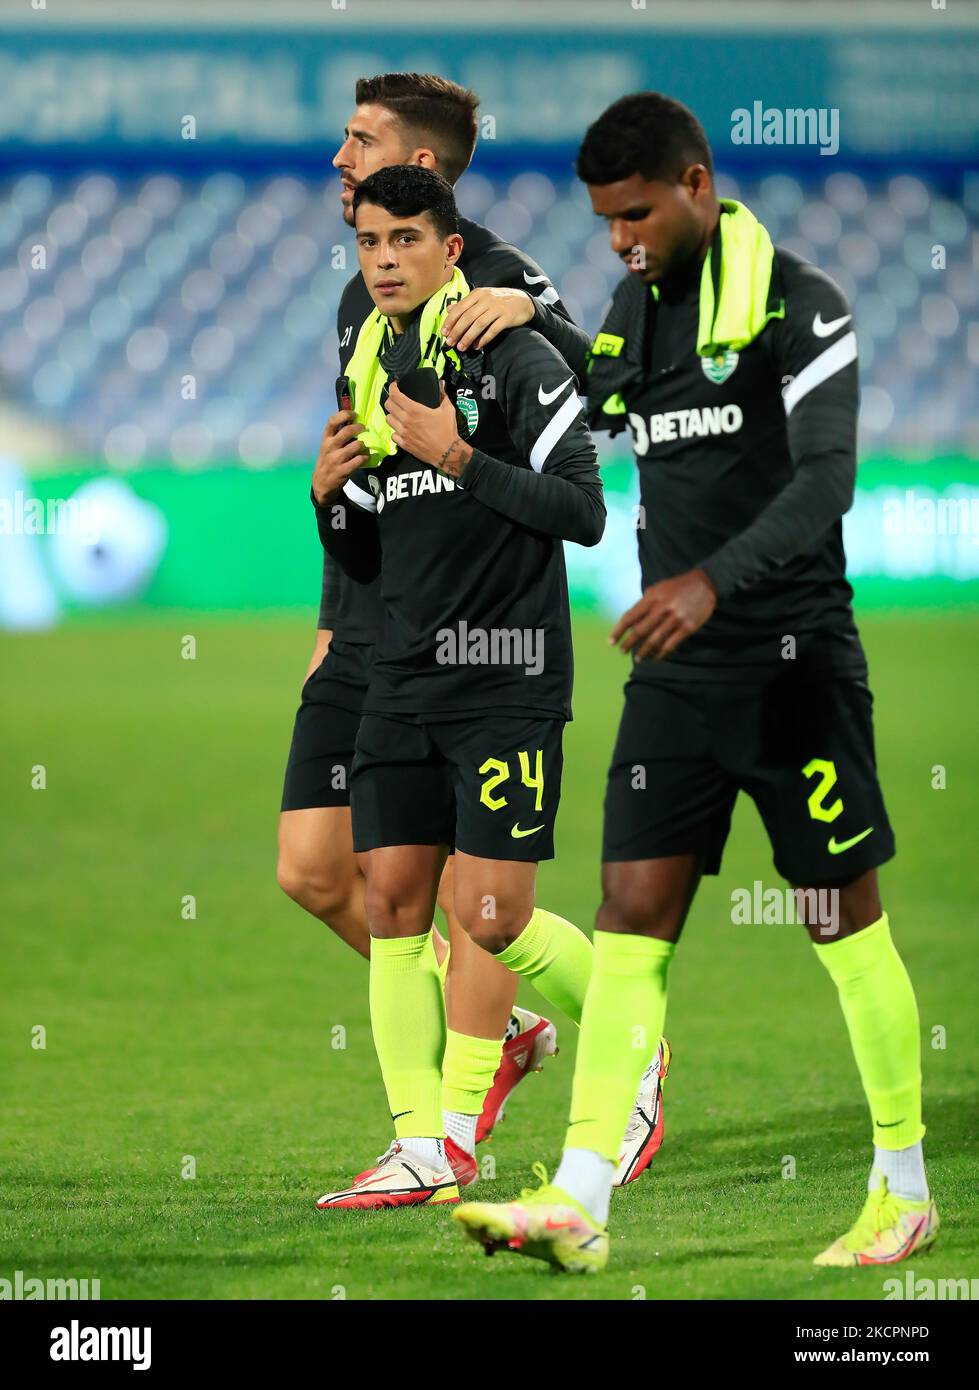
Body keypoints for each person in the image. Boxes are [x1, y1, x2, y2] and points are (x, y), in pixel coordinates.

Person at [455, 91, 936, 1272]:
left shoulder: (799, 305)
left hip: (795, 663)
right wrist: (538, 315)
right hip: (676, 676)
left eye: (636, 215)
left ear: (697, 183)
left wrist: (709, 583)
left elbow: (826, 482)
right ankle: (580, 1197)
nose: (622, 238)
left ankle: (903, 1186)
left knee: (837, 920)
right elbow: (606, 395)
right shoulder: (635, 301)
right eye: (605, 221)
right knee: (630, 920)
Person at [278, 74, 668, 1192]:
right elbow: (368, 510)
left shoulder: (505, 312)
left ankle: (587, 1057)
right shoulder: (365, 320)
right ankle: (443, 1123)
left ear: (442, 219)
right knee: (357, 885)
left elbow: (588, 481)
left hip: (493, 656)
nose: (339, 158)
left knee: (484, 912)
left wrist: (502, 383)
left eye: (362, 144)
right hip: (383, 643)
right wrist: (328, 523)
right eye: (369, 238)